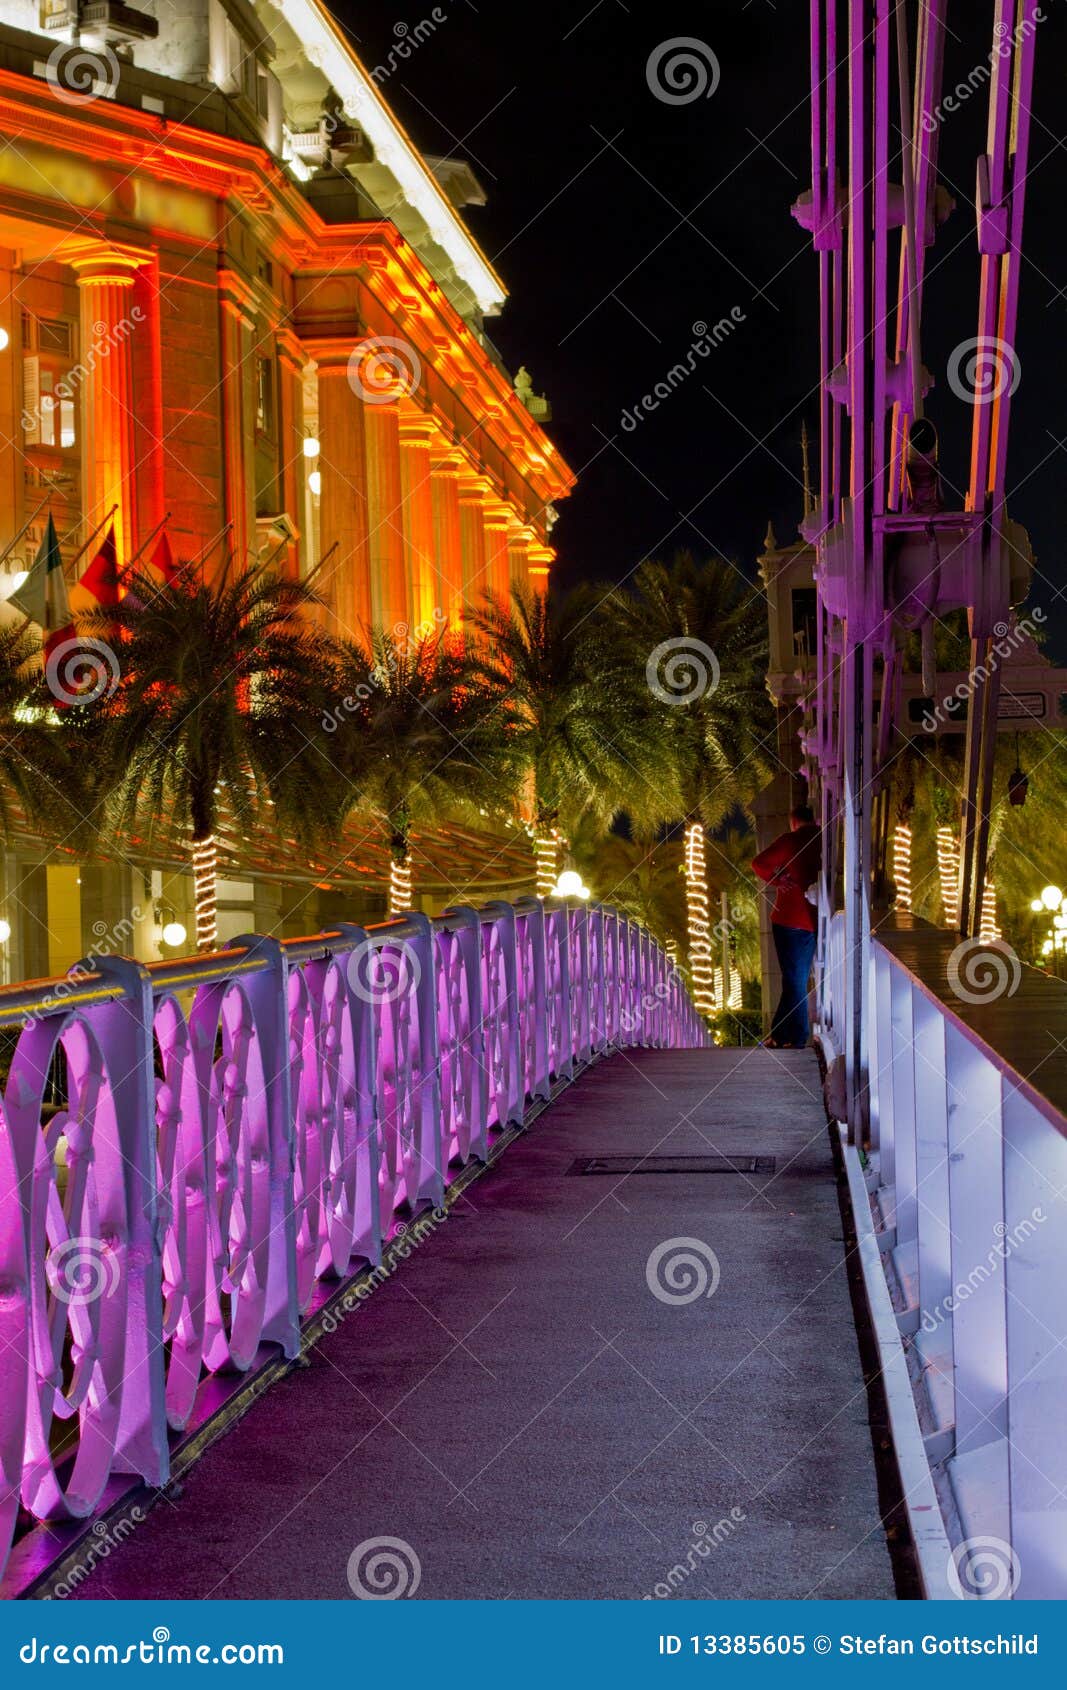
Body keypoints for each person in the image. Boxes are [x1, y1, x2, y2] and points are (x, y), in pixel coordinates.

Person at [751, 803, 822, 1048]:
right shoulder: (825, 840)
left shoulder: (790, 840)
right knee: (794, 978)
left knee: (793, 979)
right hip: (816, 919)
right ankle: (780, 1035)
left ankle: (798, 1037)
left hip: (789, 918)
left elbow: (759, 863)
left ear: (793, 822)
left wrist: (777, 880)